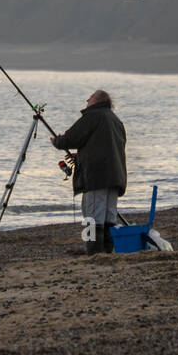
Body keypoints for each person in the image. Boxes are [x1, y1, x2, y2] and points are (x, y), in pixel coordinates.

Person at [51, 89, 127, 254]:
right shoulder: (115, 120)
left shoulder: (93, 116)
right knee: (109, 217)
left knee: (92, 217)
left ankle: (93, 252)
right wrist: (82, 155)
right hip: (116, 176)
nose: (87, 99)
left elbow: (71, 138)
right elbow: (106, 148)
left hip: (97, 177)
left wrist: (57, 141)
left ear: (97, 100)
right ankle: (107, 251)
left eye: (90, 97)